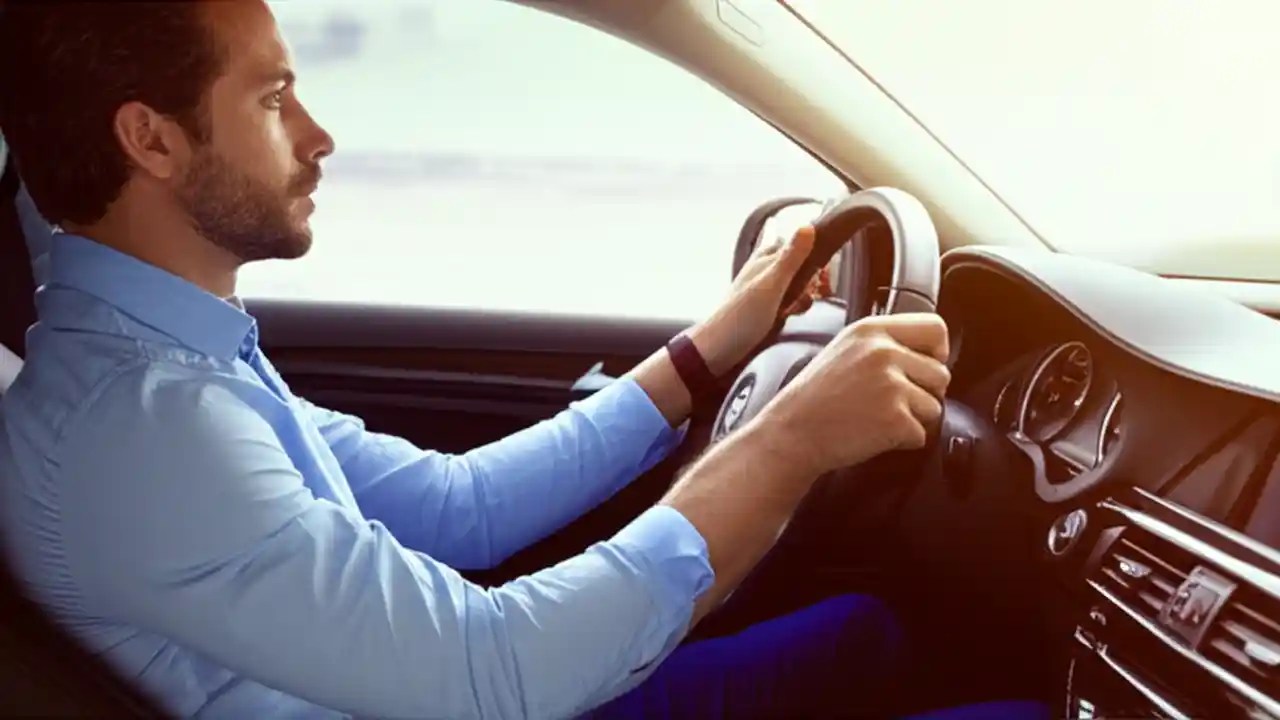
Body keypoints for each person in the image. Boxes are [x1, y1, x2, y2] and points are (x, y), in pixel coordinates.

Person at [0, 2, 1049, 718]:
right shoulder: (141, 428)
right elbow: (495, 671)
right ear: (152, 139)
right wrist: (787, 442)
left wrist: (706, 350)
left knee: (862, 631)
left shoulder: (177, 363)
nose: (317, 137)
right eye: (273, 100)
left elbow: (458, 507)